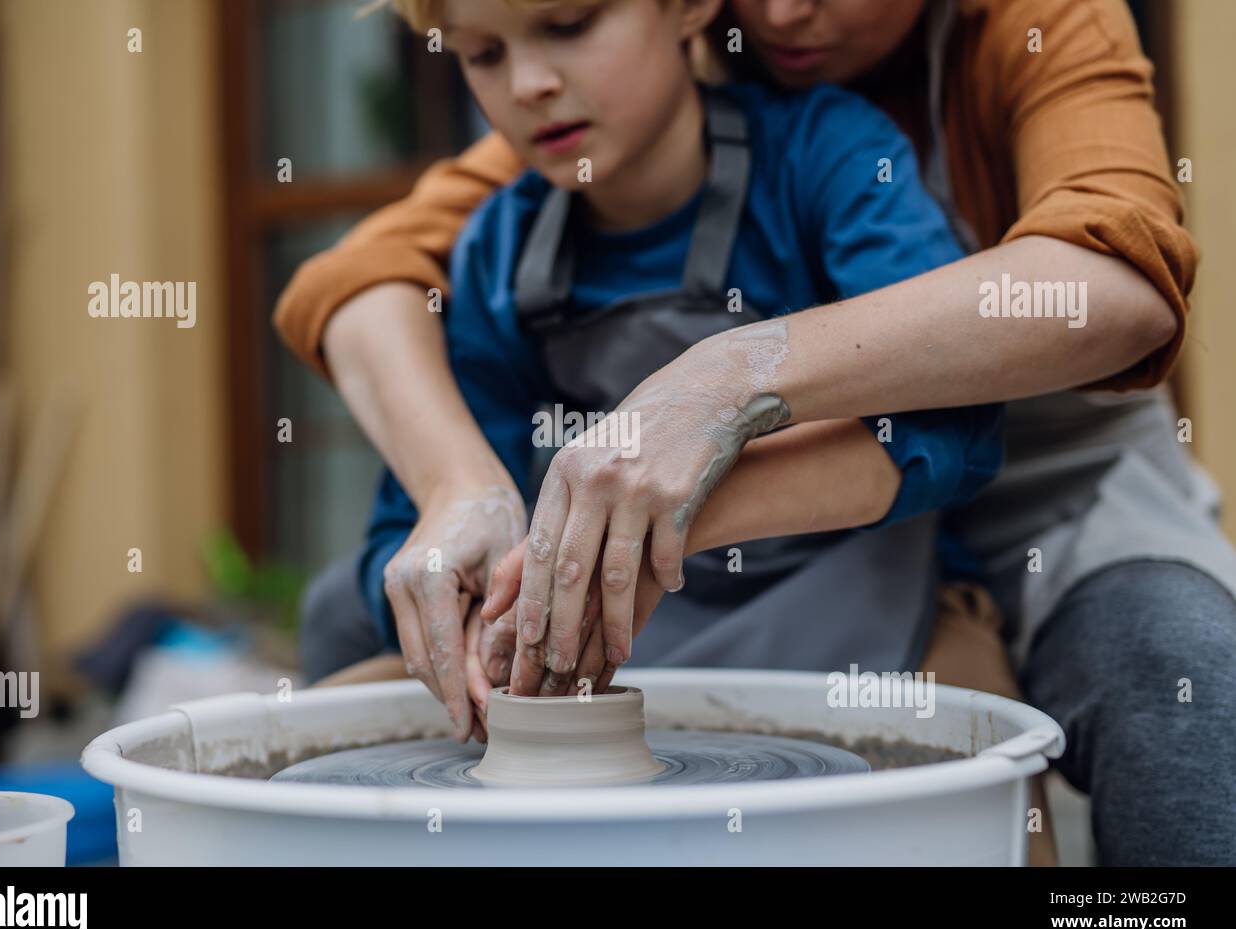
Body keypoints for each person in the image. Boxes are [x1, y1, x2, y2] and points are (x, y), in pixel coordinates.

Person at [279, 0, 1236, 864]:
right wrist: (460, 515)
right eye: (481, 54)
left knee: (1156, 673)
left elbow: (1058, 346)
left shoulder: (845, 139)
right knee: (335, 672)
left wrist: (712, 416)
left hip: (988, 505)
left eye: (569, 27)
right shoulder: (526, 201)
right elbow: (359, 275)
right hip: (666, 610)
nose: (778, 13)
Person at [357, 0, 1000, 740]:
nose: (529, 83)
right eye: (483, 55)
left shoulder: (826, 156)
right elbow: (416, 528)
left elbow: (961, 429)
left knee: (981, 760)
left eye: (569, 26)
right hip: (626, 648)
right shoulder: (500, 248)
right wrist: (453, 600)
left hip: (877, 624)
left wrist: (667, 514)